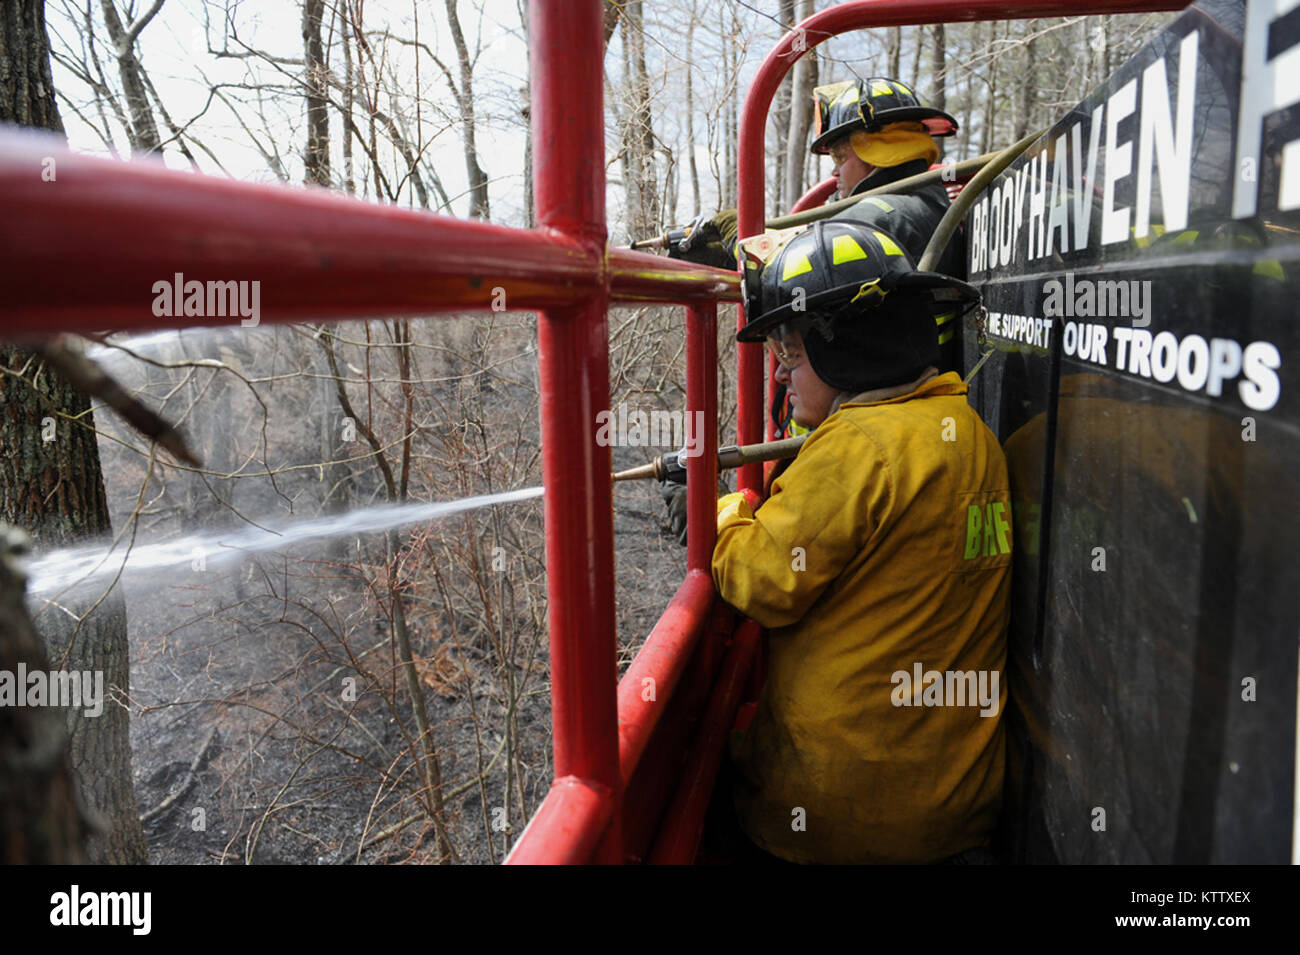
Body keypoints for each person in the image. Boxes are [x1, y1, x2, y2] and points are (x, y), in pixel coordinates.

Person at [708, 218, 1012, 864]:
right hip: (957, 810)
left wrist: (723, 512)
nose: (783, 378)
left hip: (843, 824)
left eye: (791, 353)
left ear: (845, 346)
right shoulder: (967, 430)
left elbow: (762, 578)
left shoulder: (859, 447)